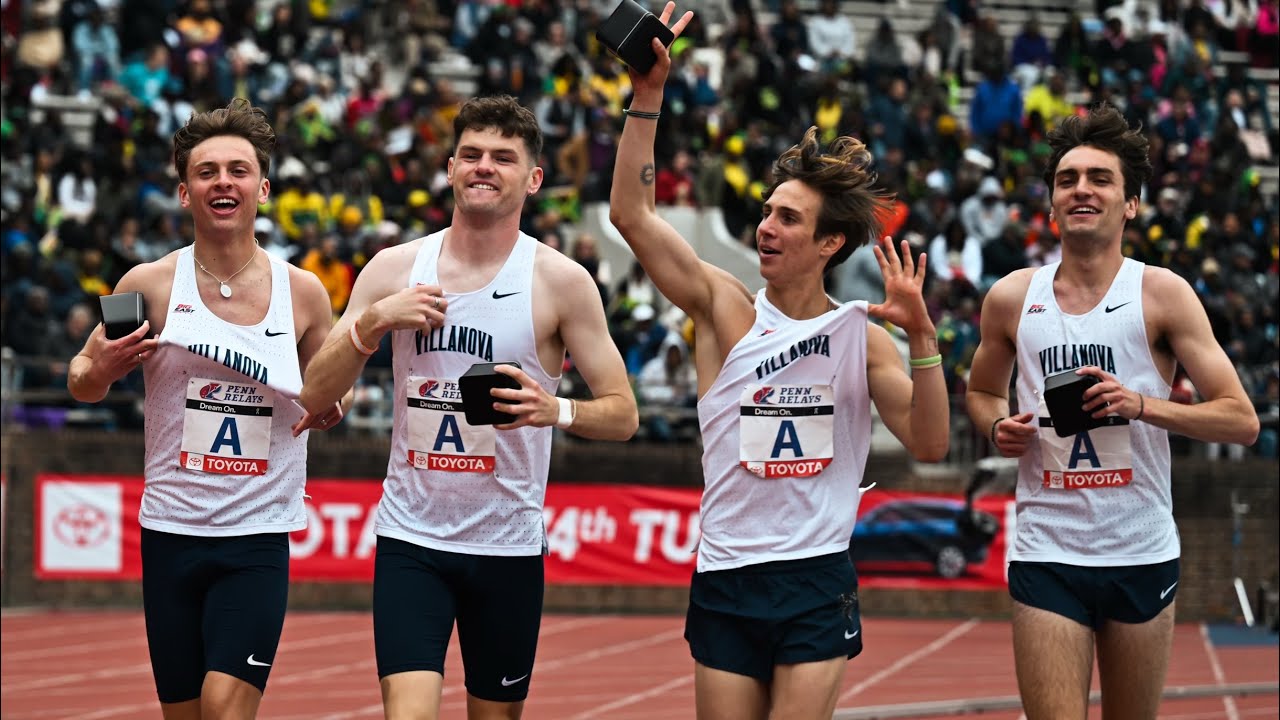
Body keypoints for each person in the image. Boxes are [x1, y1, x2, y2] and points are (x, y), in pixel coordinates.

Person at [608, 6, 951, 718]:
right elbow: (631, 218)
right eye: (767, 212)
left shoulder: (861, 336)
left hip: (814, 581)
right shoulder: (724, 307)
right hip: (727, 576)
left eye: (788, 219)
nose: (766, 226)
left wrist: (924, 342)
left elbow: (930, 441)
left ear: (830, 244)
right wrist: (648, 94)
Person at [298, 94, 637, 719]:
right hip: (411, 540)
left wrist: (554, 409)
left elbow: (622, 413)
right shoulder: (395, 268)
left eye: (503, 158)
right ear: (450, 168)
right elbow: (315, 393)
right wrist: (370, 324)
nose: (484, 167)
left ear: (533, 178)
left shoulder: (560, 281)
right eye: (472, 155)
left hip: (507, 547)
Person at [965, 105, 1260, 720]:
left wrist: (1142, 404)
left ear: (1130, 204)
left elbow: (1240, 419)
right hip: (1048, 549)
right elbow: (981, 392)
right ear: (1050, 205)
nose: (1082, 189)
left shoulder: (1161, 294)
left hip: (1139, 549)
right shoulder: (1012, 298)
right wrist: (998, 426)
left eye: (1101, 178)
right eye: (1068, 179)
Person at [66, 98, 341, 718]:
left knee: (225, 707)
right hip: (170, 532)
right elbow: (80, 378)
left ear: (263, 188)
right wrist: (102, 370)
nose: (224, 182)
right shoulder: (150, 284)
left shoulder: (302, 292)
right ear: (186, 192)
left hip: (256, 533)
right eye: (207, 171)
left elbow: (334, 393)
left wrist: (327, 409)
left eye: (238, 170)